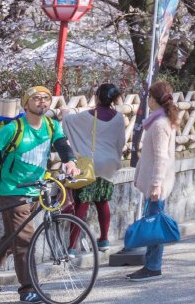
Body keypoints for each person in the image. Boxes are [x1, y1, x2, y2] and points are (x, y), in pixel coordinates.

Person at [0, 84, 80, 303]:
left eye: (46, 98)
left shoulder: (52, 125)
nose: (42, 101)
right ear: (26, 104)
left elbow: (62, 145)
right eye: (36, 98)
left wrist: (70, 162)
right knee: (25, 239)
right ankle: (28, 289)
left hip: (36, 191)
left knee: (11, 240)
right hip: (12, 192)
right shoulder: (13, 129)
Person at [127, 80, 180, 281]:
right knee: (153, 223)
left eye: (149, 97)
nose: (147, 100)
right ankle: (151, 264)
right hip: (155, 181)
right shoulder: (161, 121)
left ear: (154, 99)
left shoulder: (159, 124)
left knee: (154, 225)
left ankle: (153, 266)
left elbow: (160, 157)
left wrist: (156, 184)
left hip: (157, 183)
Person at [64, 82, 128, 249]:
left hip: (91, 164)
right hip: (109, 164)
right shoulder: (118, 117)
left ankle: (72, 246)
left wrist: (64, 111)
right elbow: (121, 141)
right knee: (102, 201)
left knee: (82, 204)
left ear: (97, 97)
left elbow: (67, 121)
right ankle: (104, 240)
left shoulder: (88, 115)